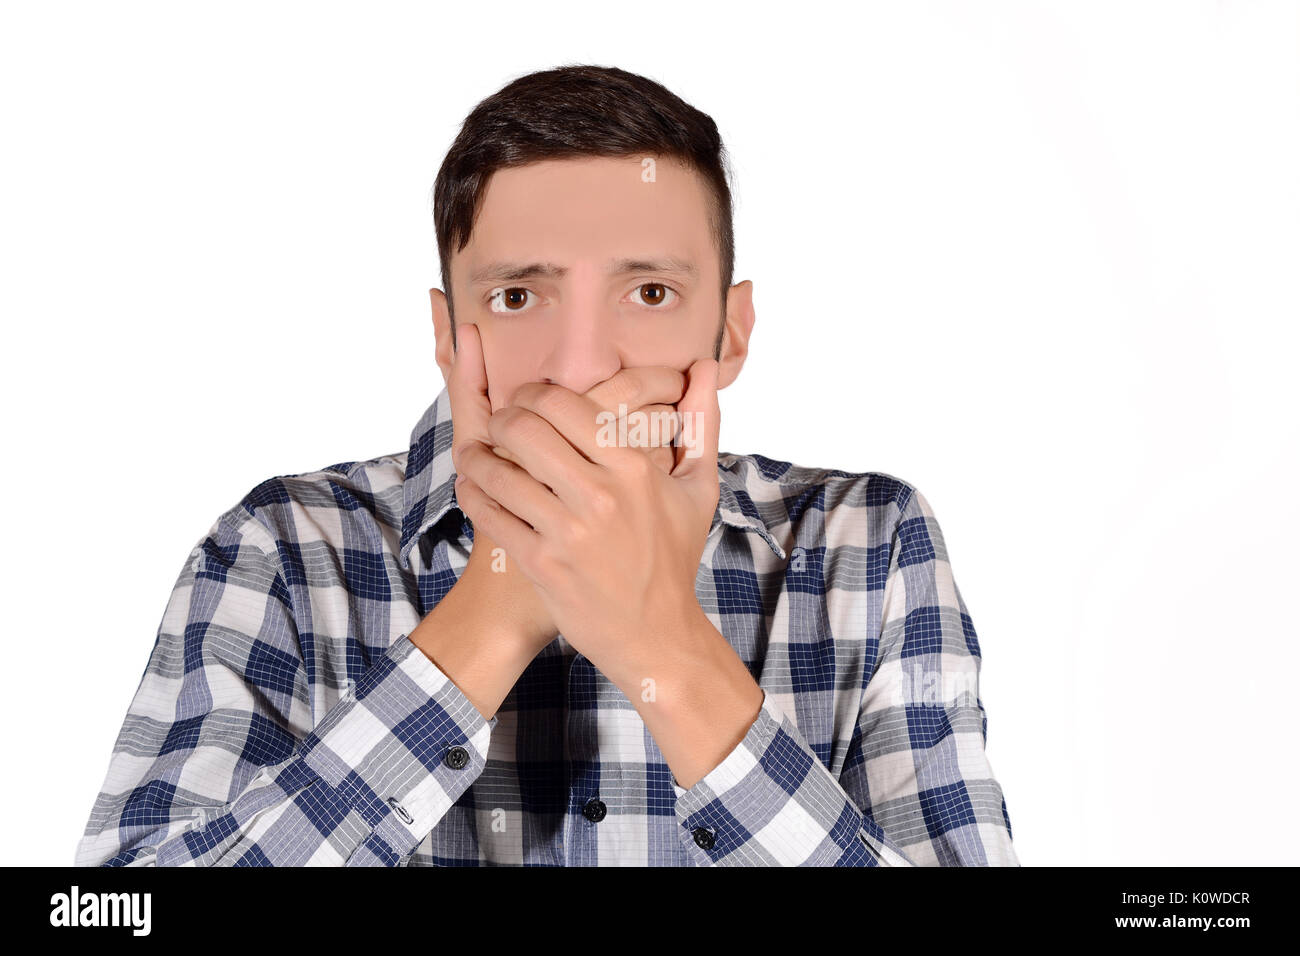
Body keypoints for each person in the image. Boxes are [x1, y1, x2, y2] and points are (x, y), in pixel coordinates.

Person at [75, 63, 1018, 866]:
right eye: (520, 295)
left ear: (729, 333)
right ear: (449, 336)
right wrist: (495, 608)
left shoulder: (868, 542)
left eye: (649, 291)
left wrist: (665, 646)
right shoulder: (280, 546)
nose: (580, 366)